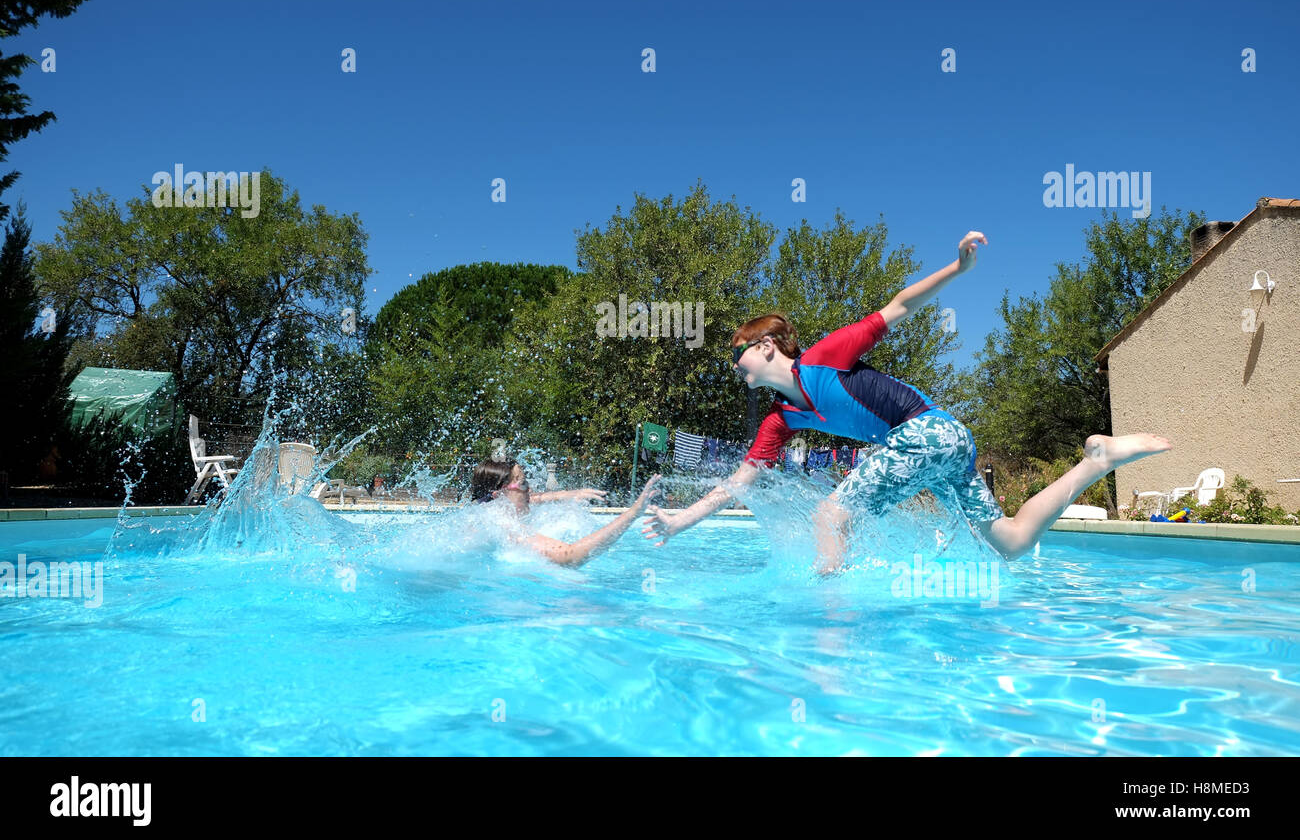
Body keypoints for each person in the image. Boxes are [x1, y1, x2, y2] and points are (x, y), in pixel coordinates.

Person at [641, 231, 1171, 572]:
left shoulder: (825, 356)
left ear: (764, 346)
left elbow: (897, 305)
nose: (735, 368)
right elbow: (738, 483)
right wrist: (679, 520)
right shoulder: (781, 422)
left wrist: (958, 270)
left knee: (830, 516)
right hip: (947, 447)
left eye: (738, 357)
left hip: (930, 433)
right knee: (1009, 542)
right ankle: (1095, 462)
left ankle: (830, 623)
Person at [471, 457, 660, 567]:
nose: (530, 489)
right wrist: (633, 513)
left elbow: (537, 498)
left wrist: (572, 494)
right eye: (523, 483)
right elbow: (569, 556)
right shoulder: (505, 527)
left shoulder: (485, 510)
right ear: (499, 494)